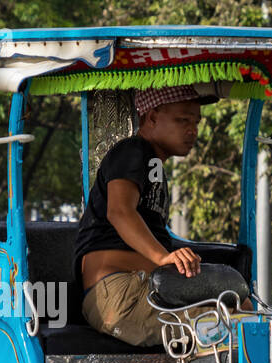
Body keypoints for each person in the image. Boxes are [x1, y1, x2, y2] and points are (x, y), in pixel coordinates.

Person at [73, 85, 249, 347]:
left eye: (196, 122)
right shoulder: (133, 151)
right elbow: (120, 212)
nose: (192, 130)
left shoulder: (153, 165)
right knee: (242, 328)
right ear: (152, 117)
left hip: (143, 287)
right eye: (182, 120)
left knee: (238, 300)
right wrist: (163, 258)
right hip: (119, 293)